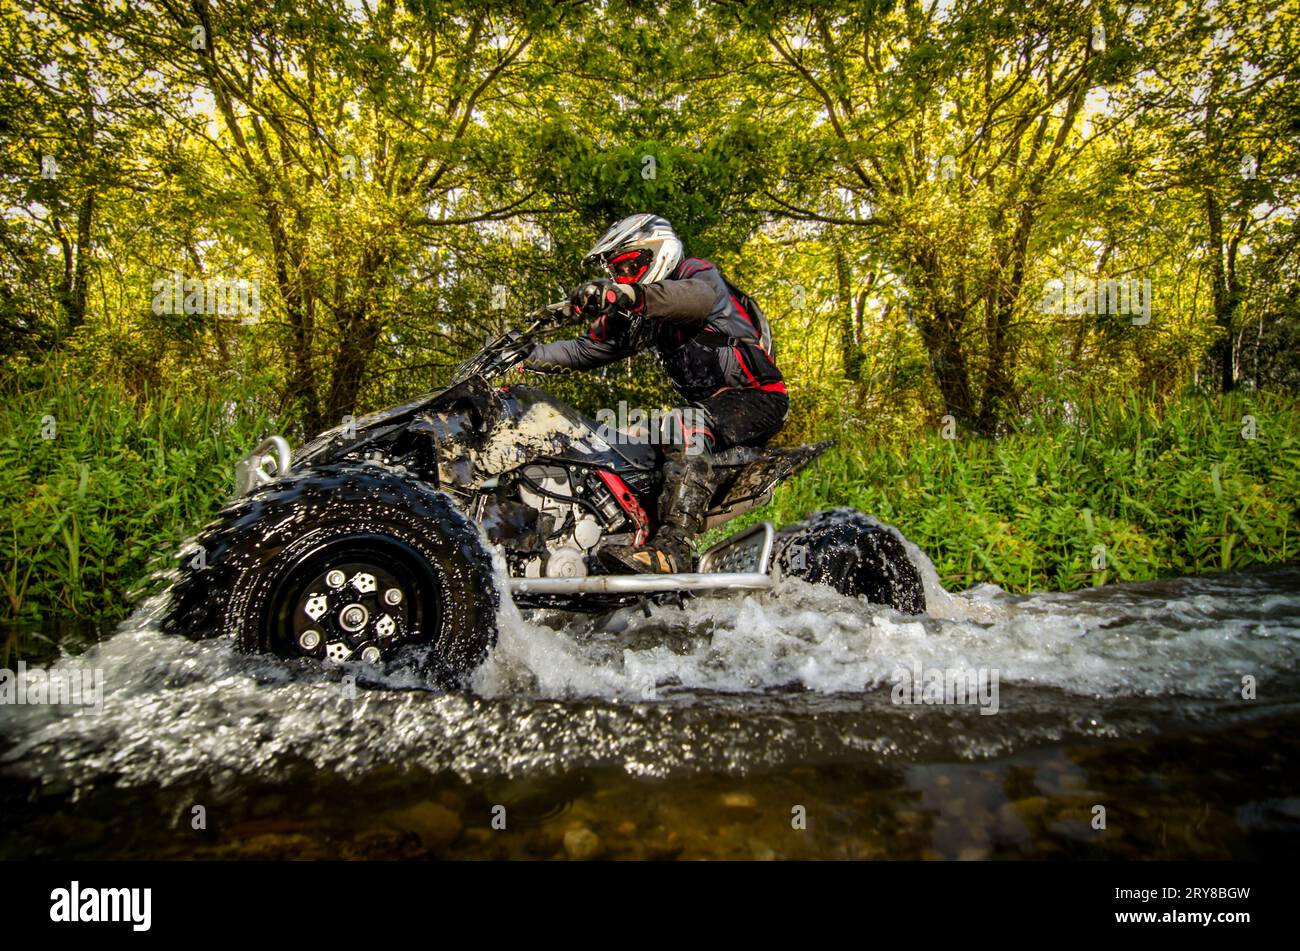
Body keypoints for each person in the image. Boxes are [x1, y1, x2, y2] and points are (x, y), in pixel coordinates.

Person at [523, 213, 787, 573]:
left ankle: (673, 548)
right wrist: (526, 356)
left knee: (683, 422)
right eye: (618, 272)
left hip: (758, 398)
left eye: (630, 266)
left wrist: (623, 293)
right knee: (618, 439)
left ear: (658, 252)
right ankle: (620, 537)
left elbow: (695, 299)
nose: (624, 277)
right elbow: (584, 350)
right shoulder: (641, 315)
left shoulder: (695, 275)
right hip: (710, 410)